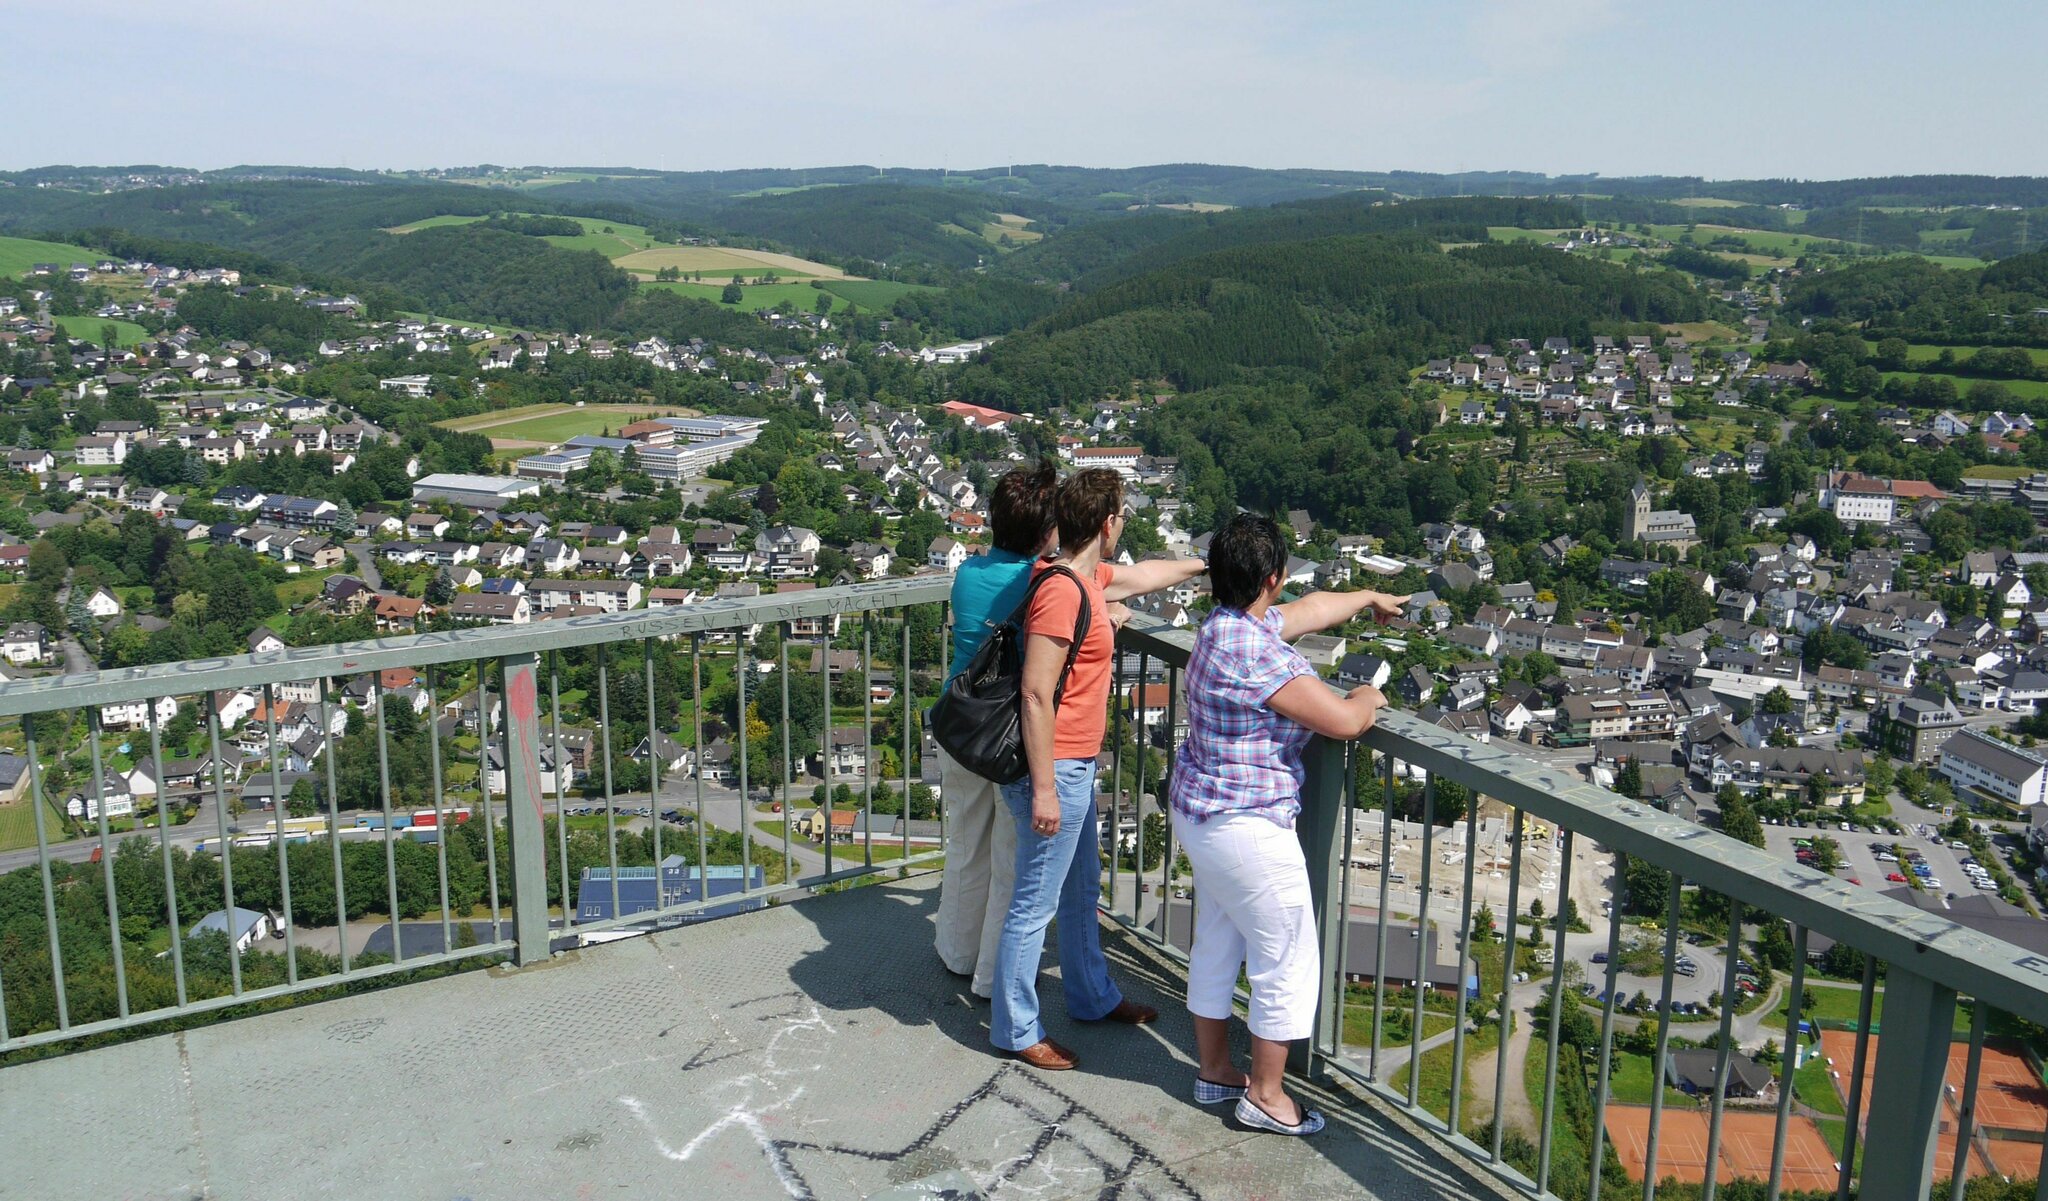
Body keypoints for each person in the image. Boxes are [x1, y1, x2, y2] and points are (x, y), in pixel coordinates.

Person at [1168, 513, 1403, 1135]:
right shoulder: (1254, 651)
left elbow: (1312, 609)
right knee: (1286, 959)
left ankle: (1216, 1070)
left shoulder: (1224, 625)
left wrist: (1370, 596)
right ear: (1272, 577)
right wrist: (1370, 698)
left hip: (1202, 813)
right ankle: (1267, 1096)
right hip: (1248, 827)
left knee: (1219, 941)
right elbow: (1345, 722)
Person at [991, 468, 1208, 1070]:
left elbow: (1144, 576)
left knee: (1082, 890)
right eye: (1122, 519)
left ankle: (1091, 997)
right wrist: (1042, 791)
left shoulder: (1083, 578)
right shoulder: (1063, 590)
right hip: (1054, 768)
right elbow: (1035, 694)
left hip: (1075, 767)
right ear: (1108, 524)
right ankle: (1016, 1029)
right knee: (1034, 904)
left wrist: (1202, 564)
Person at [933, 459, 1060, 998]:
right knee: (1012, 861)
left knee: (965, 848)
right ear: (1046, 531)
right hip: (1011, 738)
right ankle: (991, 978)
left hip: (960, 728)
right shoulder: (1042, 584)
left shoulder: (967, 573)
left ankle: (956, 954)